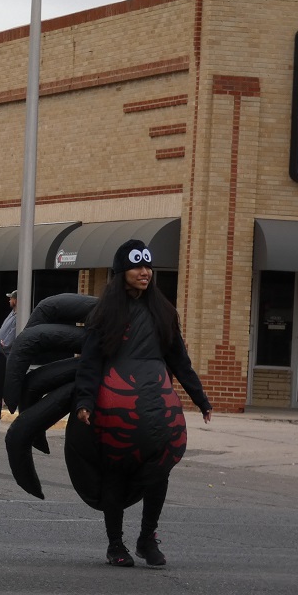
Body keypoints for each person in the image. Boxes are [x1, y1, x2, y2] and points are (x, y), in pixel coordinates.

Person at [74, 239, 212, 568]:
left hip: (156, 402)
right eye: (137, 266)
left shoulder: (163, 312)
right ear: (122, 271)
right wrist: (85, 400)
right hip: (114, 406)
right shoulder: (105, 313)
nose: (144, 272)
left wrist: (200, 398)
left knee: (159, 469)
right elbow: (90, 362)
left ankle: (147, 538)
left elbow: (180, 360)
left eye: (148, 266)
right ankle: (115, 544)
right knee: (115, 474)